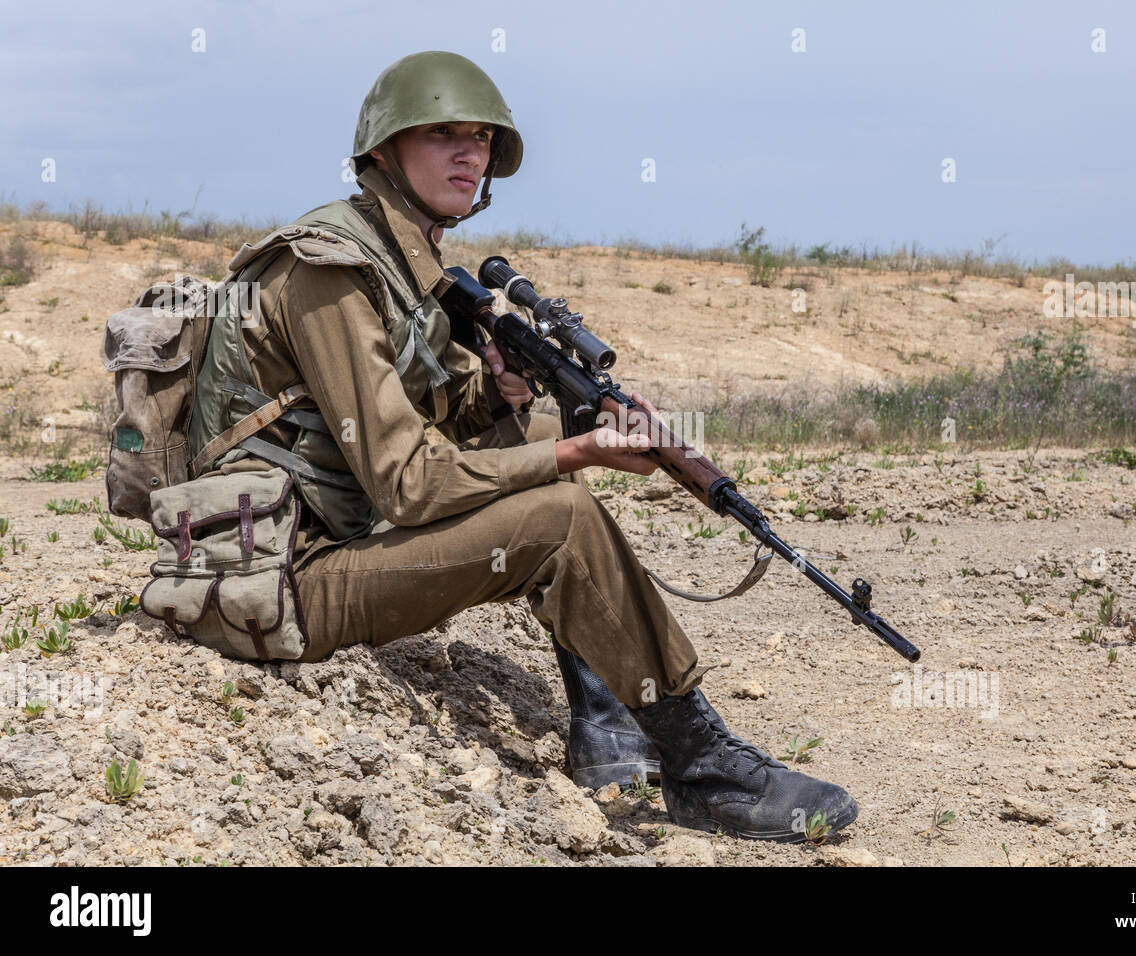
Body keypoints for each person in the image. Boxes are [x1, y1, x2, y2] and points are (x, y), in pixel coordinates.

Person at [187, 50, 858, 842]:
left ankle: (608, 729)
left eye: (480, 139)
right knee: (561, 513)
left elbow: (411, 424)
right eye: (443, 134)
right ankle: (703, 769)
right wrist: (579, 458)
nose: (470, 154)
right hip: (262, 586)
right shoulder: (327, 270)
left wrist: (498, 398)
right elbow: (407, 484)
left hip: (323, 539)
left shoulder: (401, 259)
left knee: (552, 432)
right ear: (380, 150)